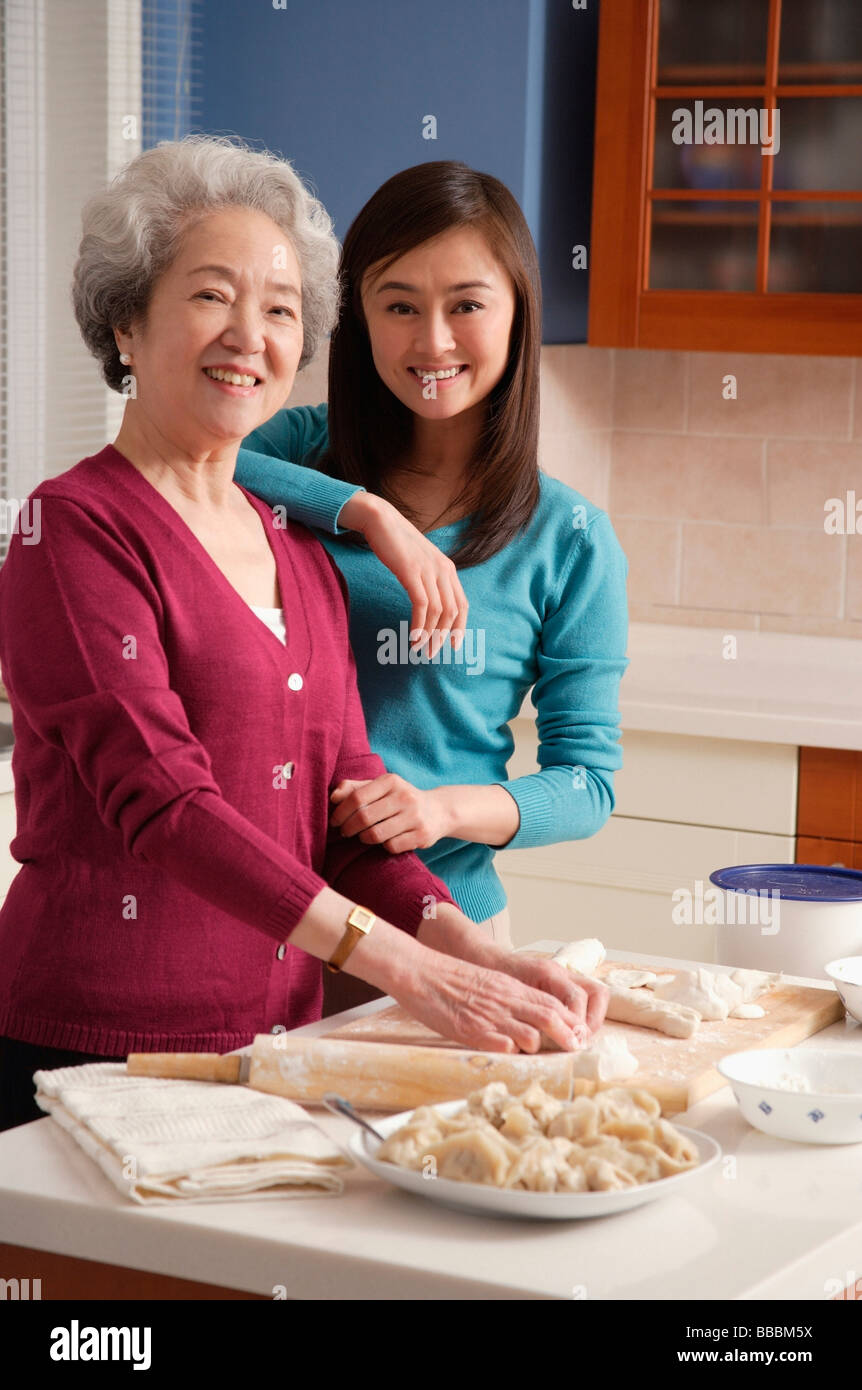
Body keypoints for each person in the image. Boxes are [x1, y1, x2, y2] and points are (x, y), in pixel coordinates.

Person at [0, 136, 606, 1131]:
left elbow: (342, 818)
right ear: (125, 321)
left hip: (275, 1046)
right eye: (210, 295)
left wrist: (474, 953)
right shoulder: (73, 530)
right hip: (99, 1050)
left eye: (280, 309)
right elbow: (163, 802)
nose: (250, 335)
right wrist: (402, 967)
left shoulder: (297, 552)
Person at [235, 160, 630, 956]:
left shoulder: (572, 538)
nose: (434, 341)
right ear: (359, 317)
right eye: (400, 306)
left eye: (468, 305)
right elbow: (195, 460)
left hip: (443, 919)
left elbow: (588, 784)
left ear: (519, 311)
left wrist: (443, 809)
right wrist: (368, 512)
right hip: (270, 914)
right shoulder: (298, 454)